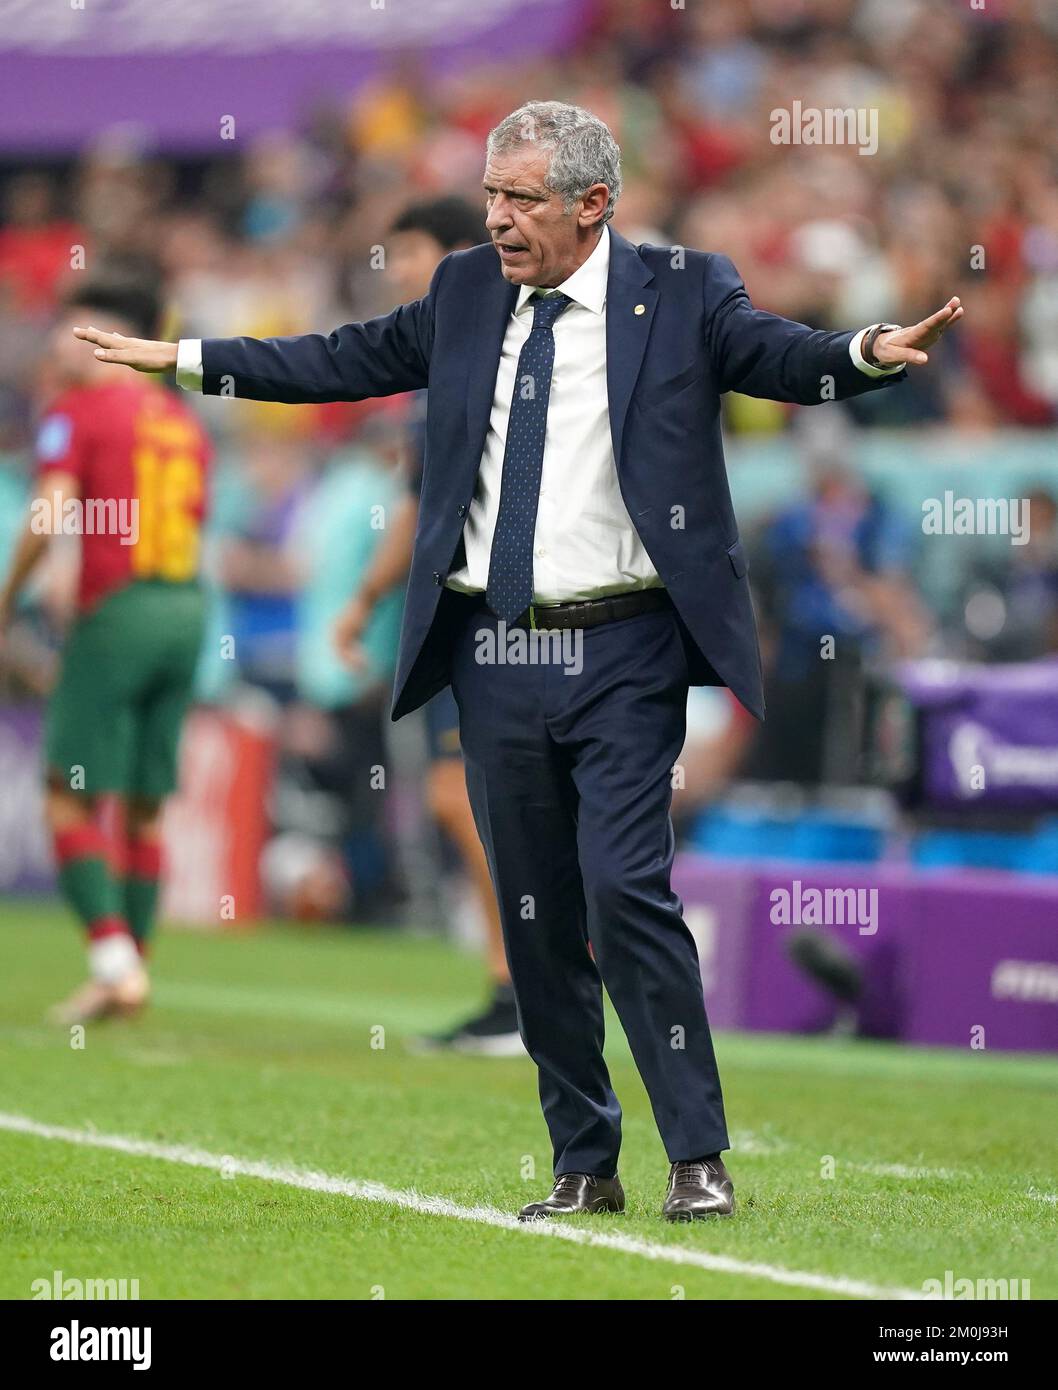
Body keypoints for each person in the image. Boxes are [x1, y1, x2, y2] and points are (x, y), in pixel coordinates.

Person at [72, 100, 963, 1221]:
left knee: (625, 887)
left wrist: (864, 355)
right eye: (490, 192)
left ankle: (697, 1155)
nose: (494, 216)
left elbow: (777, 355)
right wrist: (188, 360)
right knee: (535, 911)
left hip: (626, 642)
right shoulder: (459, 292)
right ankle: (583, 1164)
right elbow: (336, 359)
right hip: (493, 648)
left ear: (594, 204)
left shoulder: (682, 287)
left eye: (519, 198)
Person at [332, 195, 522, 1053]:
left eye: (407, 252)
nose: (397, 271)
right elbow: (418, 511)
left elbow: (426, 515)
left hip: (495, 614)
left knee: (470, 799)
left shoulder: (470, 359)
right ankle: (515, 988)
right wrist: (369, 598)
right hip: (476, 613)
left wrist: (365, 601)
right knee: (479, 802)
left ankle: (526, 990)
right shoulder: (447, 360)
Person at [0, 279, 211, 1023]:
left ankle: (114, 961)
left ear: (115, 342)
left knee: (66, 792)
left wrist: (7, 597)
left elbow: (53, 505)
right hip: (185, 608)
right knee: (146, 806)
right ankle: (134, 973)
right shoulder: (181, 421)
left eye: (79, 330)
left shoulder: (76, 410)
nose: (61, 341)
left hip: (117, 615)